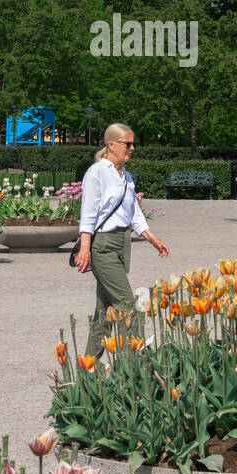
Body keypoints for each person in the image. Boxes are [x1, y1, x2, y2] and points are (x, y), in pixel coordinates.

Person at [75, 123, 169, 358]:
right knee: (129, 308)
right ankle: (132, 368)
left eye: (132, 143)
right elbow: (88, 213)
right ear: (111, 145)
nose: (132, 148)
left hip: (120, 245)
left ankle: (87, 371)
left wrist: (152, 238)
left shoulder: (124, 176)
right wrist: (85, 249)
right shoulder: (97, 173)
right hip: (103, 247)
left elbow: (134, 213)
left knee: (104, 313)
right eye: (128, 144)